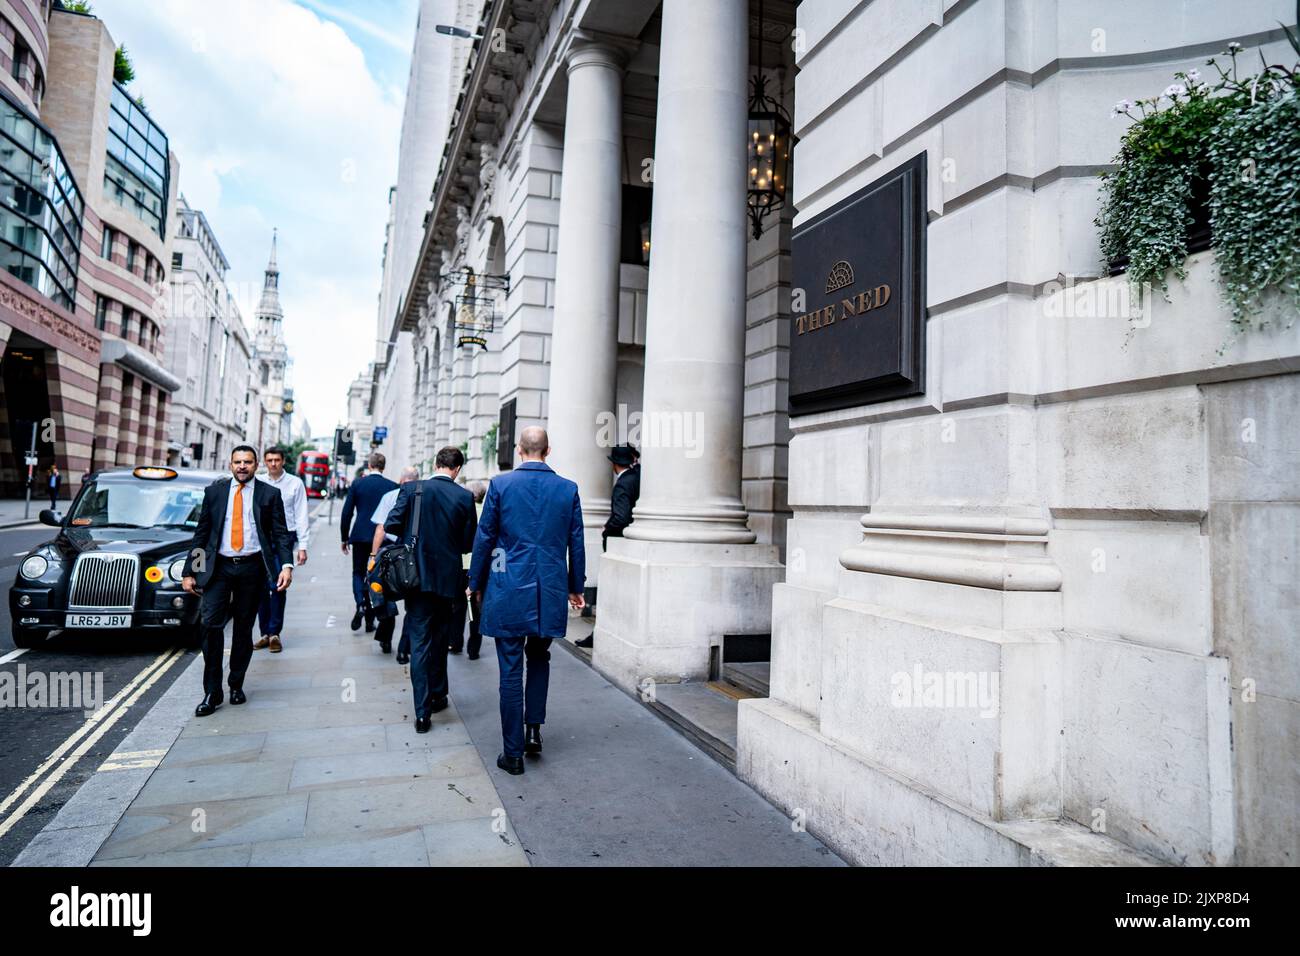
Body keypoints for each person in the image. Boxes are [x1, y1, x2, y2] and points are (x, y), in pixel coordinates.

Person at [468, 426, 585, 775]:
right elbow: (575, 542)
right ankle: (534, 729)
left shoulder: (501, 485)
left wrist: (475, 580)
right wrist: (575, 586)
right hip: (548, 588)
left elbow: (485, 536)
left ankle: (513, 752)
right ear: (548, 450)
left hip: (508, 588)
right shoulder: (567, 489)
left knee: (509, 669)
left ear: (520, 450)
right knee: (540, 655)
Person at [182, 445, 294, 717]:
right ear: (230, 464)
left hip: (252, 568)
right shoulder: (215, 493)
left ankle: (235, 684)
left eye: (247, 462)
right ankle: (212, 691)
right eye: (237, 462)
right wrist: (190, 571)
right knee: (210, 626)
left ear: (257, 465)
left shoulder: (270, 494)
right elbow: (202, 534)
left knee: (244, 629)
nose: (242, 466)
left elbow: (280, 534)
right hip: (218, 568)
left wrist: (286, 566)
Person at [384, 447, 477, 734]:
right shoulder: (464, 497)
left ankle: (422, 713)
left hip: (416, 577)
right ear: (458, 469)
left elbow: (391, 524)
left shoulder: (412, 489)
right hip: (448, 580)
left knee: (420, 642)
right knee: (441, 638)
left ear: (435, 463)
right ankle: (439, 693)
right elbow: (467, 543)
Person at [255, 446, 310, 653]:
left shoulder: (295, 483)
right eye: (269, 460)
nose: (273, 464)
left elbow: (302, 514)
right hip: (261, 538)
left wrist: (302, 546)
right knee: (261, 586)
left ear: (283, 461)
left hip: (285, 538)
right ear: (265, 462)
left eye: (277, 460)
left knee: (279, 584)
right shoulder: (258, 481)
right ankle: (265, 634)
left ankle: (275, 633)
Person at [340, 452, 397, 632]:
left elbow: (347, 512)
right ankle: (371, 619)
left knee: (358, 573)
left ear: (370, 466)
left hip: (360, 536)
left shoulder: (358, 483)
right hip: (383, 538)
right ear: (383, 466)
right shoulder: (392, 486)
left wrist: (344, 537)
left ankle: (360, 605)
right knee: (377, 577)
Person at [367, 465, 420, 657]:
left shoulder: (390, 496)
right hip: (413, 555)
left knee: (386, 596)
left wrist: (373, 556)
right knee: (412, 604)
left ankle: (386, 637)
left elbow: (381, 528)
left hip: (390, 554)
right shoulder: (422, 496)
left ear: (401, 479)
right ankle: (404, 649)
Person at [448, 480, 487, 659]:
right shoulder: (487, 514)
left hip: (461, 564)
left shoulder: (462, 513)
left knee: (458, 606)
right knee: (476, 608)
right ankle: (474, 648)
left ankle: (455, 642)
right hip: (478, 566)